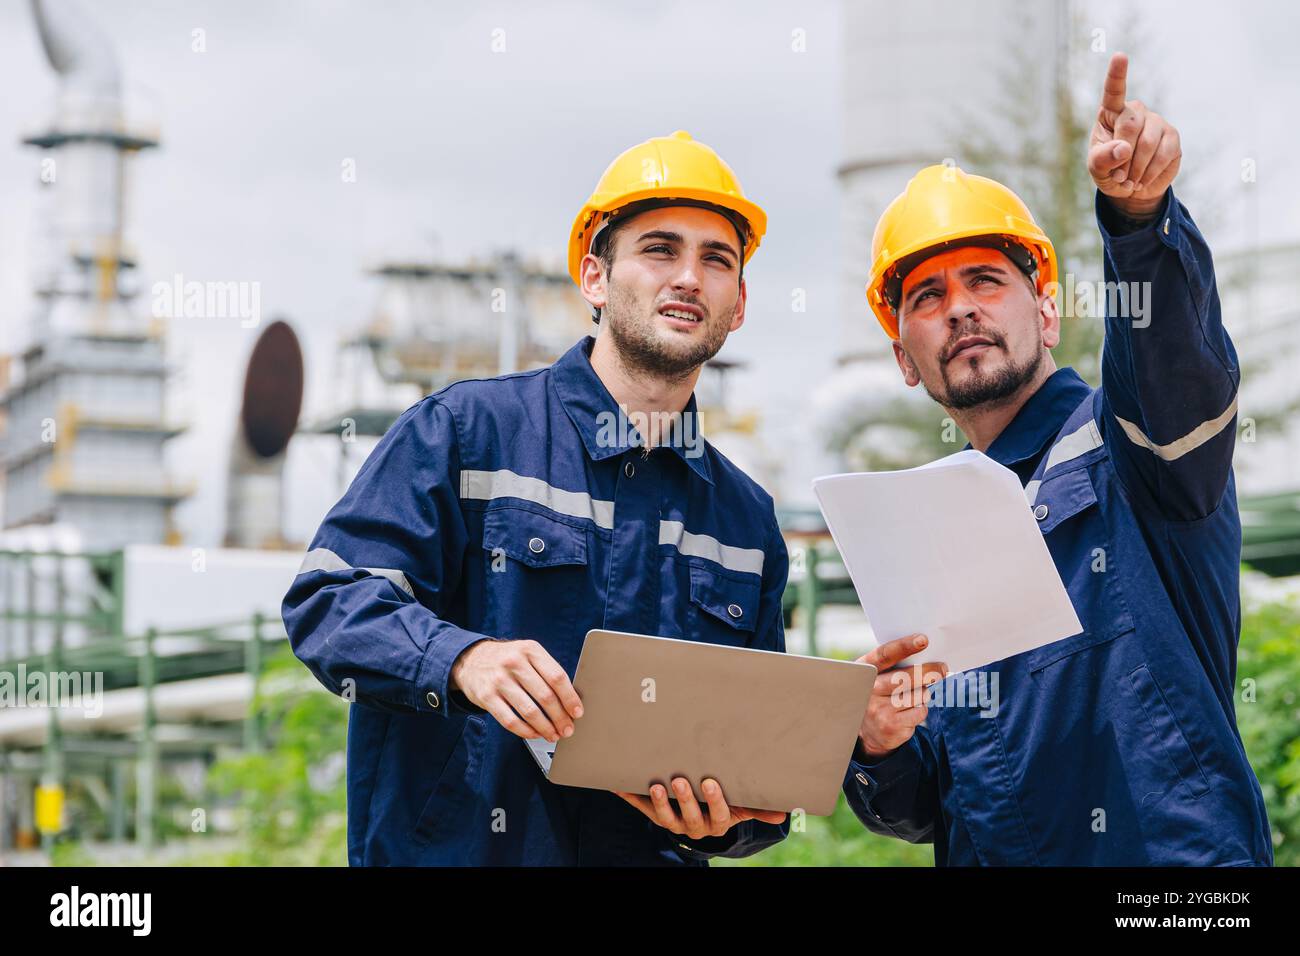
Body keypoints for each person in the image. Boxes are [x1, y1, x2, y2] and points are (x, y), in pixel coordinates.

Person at [282, 130, 789, 865]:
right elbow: (328, 601)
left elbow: (758, 761)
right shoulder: (465, 433)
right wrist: (461, 660)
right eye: (659, 249)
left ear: (737, 304)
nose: (688, 277)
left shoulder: (745, 520)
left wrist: (730, 821)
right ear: (594, 277)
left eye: (717, 260)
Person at [843, 53, 1272, 865]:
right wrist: (882, 744)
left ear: (1045, 313)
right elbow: (933, 801)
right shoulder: (918, 531)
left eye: (984, 280)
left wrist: (1140, 223)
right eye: (926, 297)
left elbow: (1172, 364)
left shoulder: (1134, 447)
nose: (960, 306)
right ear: (905, 358)